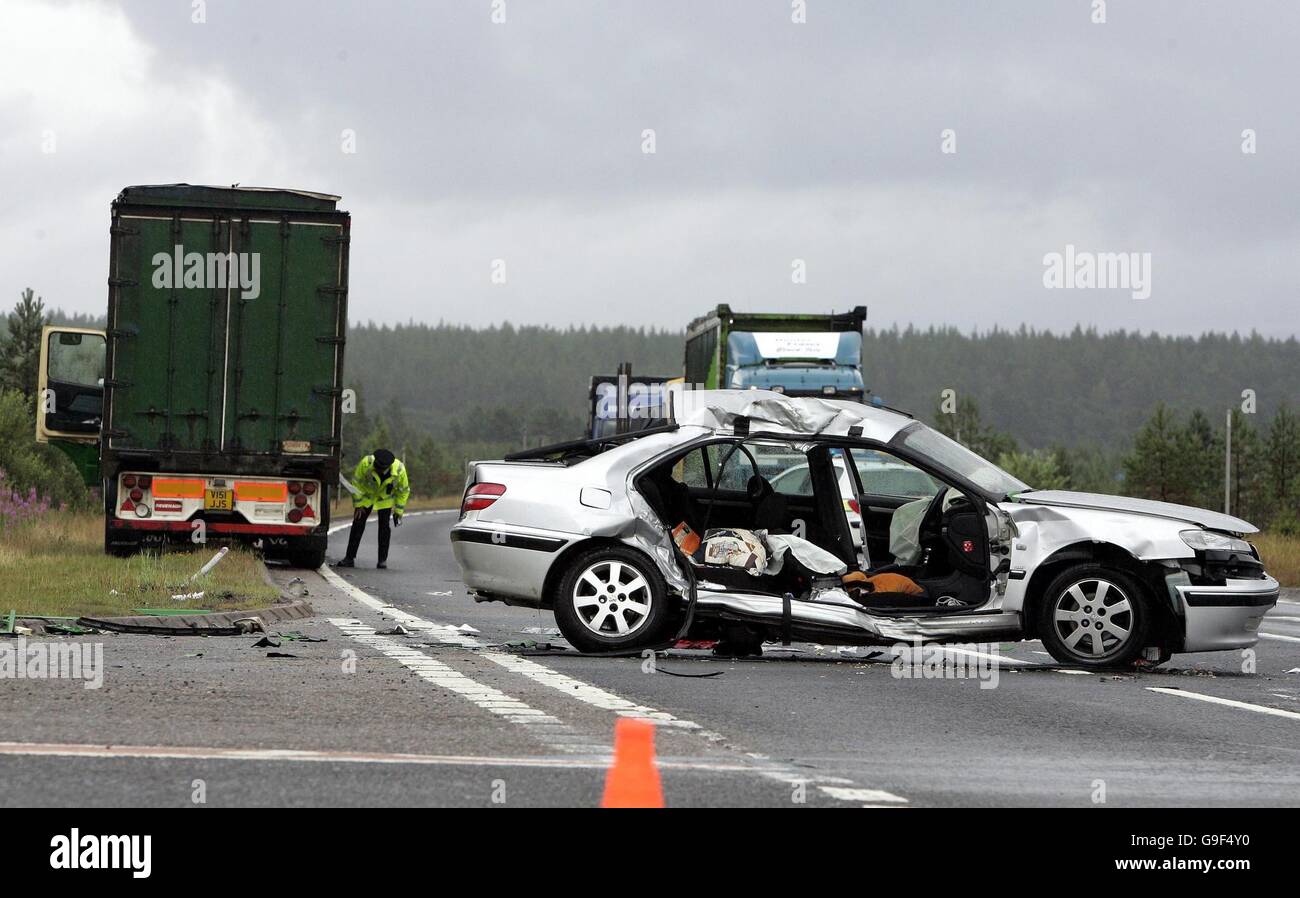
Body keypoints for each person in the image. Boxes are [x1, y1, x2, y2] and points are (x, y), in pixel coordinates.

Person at [334, 448, 409, 569]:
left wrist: (398, 511)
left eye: (380, 468)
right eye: (376, 466)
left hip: (385, 500)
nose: (376, 469)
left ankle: (382, 561)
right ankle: (349, 558)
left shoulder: (400, 470)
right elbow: (356, 483)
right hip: (366, 498)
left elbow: (403, 491)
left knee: (384, 528)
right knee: (357, 524)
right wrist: (358, 505)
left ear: (387, 467)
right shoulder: (366, 463)